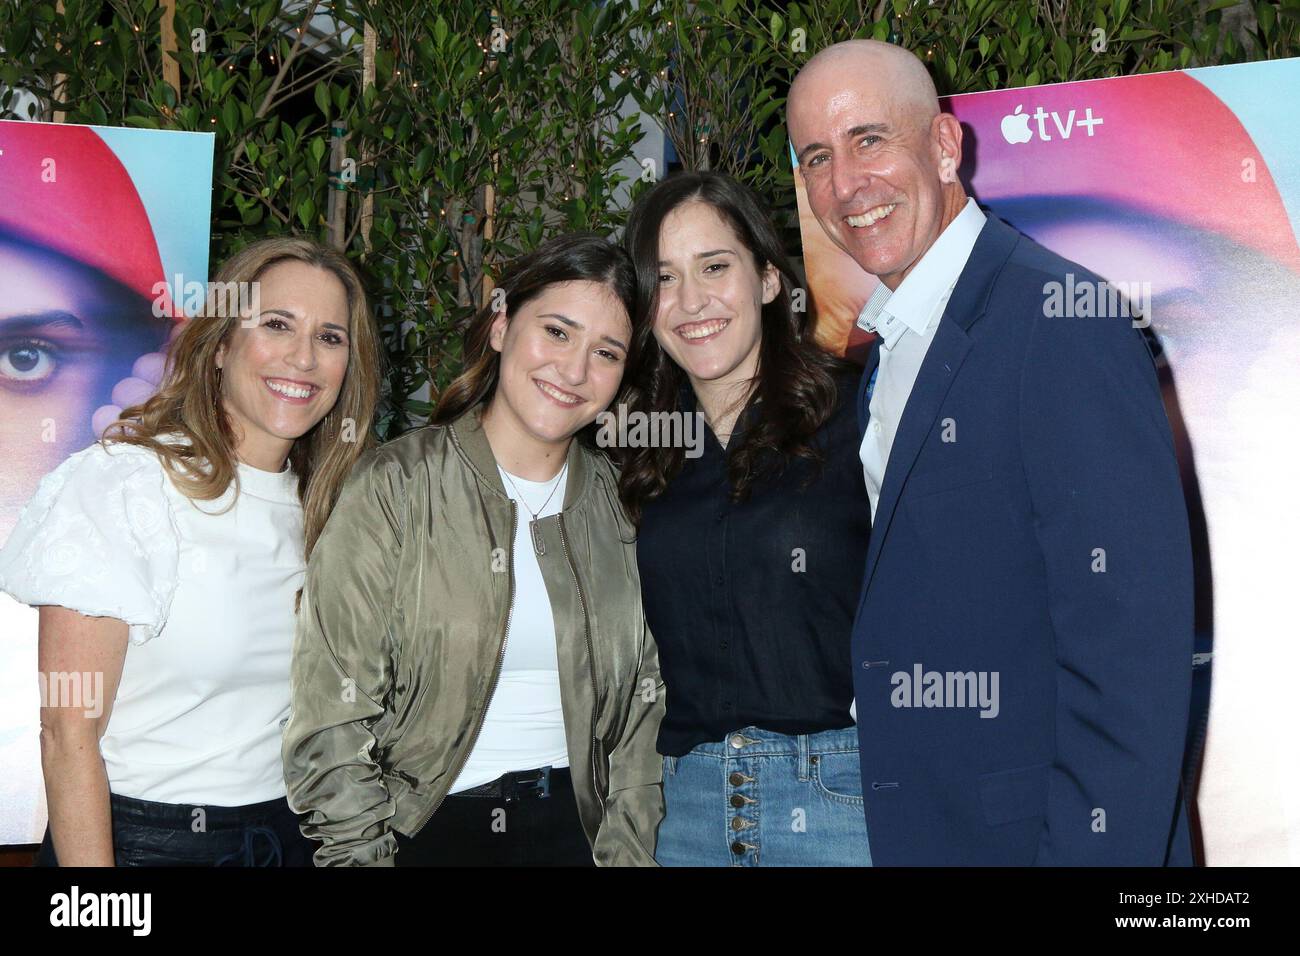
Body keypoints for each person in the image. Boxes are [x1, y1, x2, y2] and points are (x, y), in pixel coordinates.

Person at [787, 39, 1195, 866]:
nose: (845, 184)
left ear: (944, 144)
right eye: (817, 157)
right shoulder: (890, 346)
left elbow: (1130, 658)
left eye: (870, 140)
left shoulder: (1057, 320)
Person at [282, 233, 665, 867]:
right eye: (557, 332)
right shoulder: (397, 484)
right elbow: (330, 713)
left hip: (579, 840)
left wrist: (625, 853)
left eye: (606, 352)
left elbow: (639, 719)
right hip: (422, 835)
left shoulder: (620, 504)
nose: (574, 371)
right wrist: (360, 857)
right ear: (501, 326)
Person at [0, 236, 381, 866]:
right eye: (277, 324)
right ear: (221, 345)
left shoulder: (333, 507)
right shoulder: (123, 486)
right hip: (140, 847)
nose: (303, 357)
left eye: (330, 337)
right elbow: (68, 735)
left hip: (291, 838)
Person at [618, 171, 872, 866]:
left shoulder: (857, 414)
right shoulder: (642, 450)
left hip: (838, 803)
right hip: (688, 813)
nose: (690, 301)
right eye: (664, 278)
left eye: (714, 267)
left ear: (766, 279)